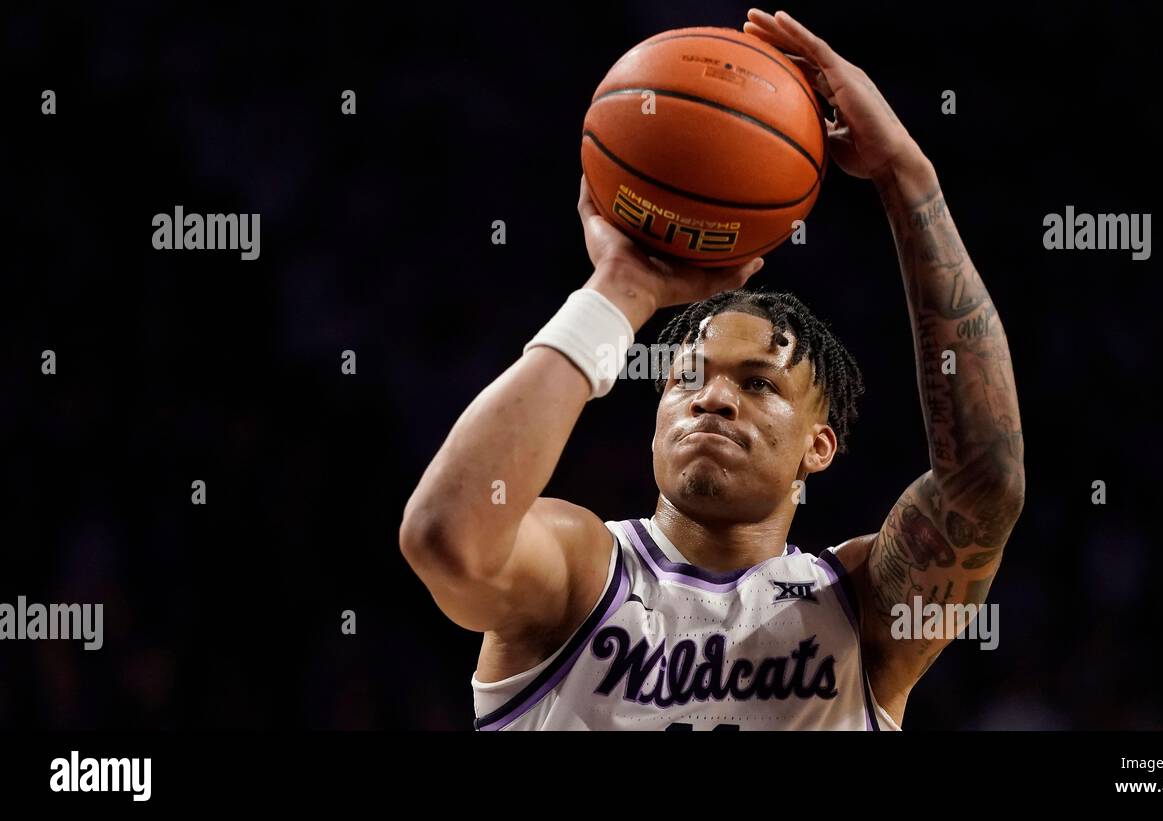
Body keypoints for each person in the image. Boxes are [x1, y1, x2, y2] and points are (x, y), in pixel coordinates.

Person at [399, 8, 1025, 730]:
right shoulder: (581, 572)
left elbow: (987, 481)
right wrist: (620, 291)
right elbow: (444, 536)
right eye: (687, 376)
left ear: (819, 445)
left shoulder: (860, 608)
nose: (713, 400)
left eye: (758, 382)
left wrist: (906, 175)